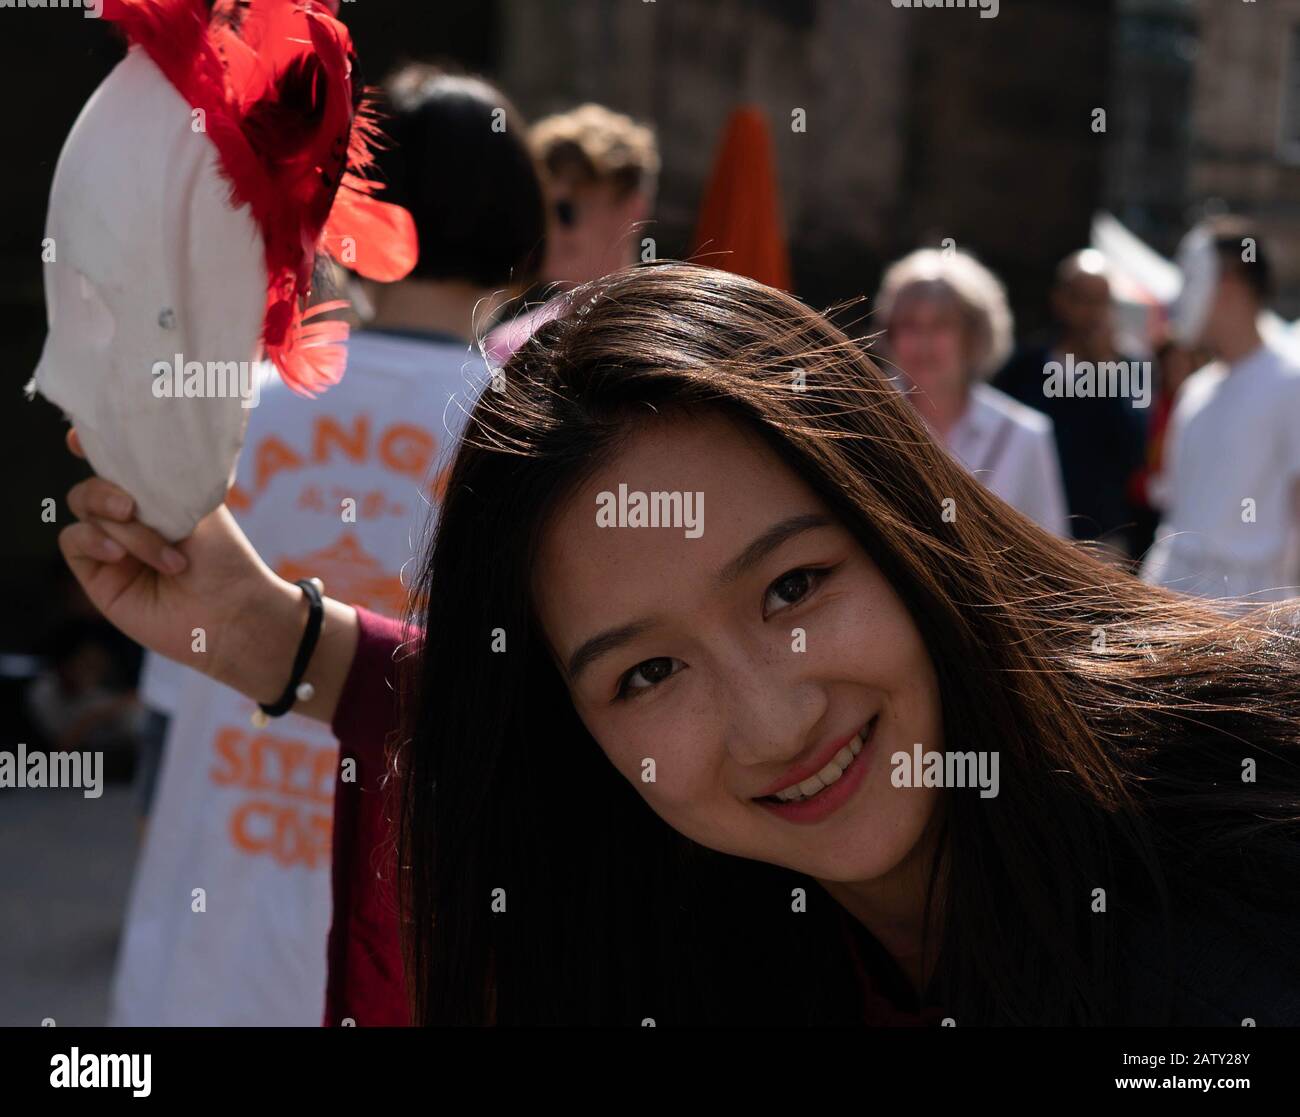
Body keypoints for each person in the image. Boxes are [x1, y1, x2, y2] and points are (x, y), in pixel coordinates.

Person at [60, 264, 1300, 1026]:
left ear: (908, 519)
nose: (773, 722)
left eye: (794, 586)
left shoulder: (1239, 870)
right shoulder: (712, 914)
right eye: (645, 673)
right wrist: (279, 637)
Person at [108, 64, 546, 1026]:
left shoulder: (229, 413)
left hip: (206, 952)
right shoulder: (543, 446)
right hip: (415, 954)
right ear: (525, 232)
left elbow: (167, 710)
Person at [1140, 217, 1300, 603]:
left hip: (1249, 618)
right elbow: (1176, 512)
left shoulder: (1290, 379)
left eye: (1192, 277)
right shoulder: (1196, 389)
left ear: (1228, 284)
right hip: (1173, 601)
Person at [875, 248, 1070, 536]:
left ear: (974, 336)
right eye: (909, 325)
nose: (923, 342)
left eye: (940, 325)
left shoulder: (1023, 435)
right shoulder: (864, 419)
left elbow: (1052, 549)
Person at [995, 250, 1150, 557]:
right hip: (1029, 532)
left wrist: (1105, 368)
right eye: (1082, 298)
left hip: (1100, 540)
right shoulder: (1026, 365)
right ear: (1060, 300)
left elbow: (1136, 447)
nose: (1091, 312)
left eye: (1100, 301)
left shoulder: (1130, 367)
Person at [485, 103, 660, 365]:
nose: (550, 229)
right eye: (540, 210)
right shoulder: (506, 348)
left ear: (633, 208)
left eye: (565, 210)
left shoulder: (668, 339)